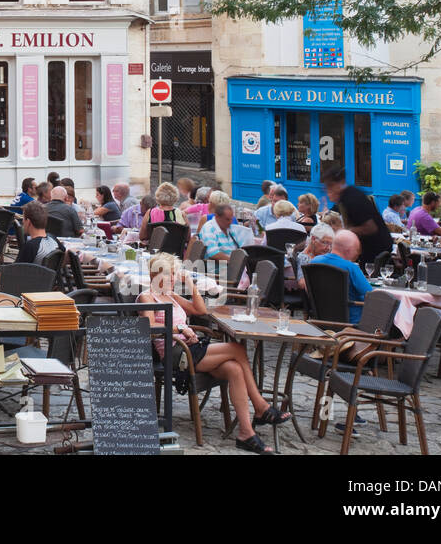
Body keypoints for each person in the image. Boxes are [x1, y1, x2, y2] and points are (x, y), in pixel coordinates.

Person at [138, 253, 288, 454]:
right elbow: (150, 327)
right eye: (168, 274)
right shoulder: (147, 296)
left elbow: (199, 310)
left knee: (234, 368)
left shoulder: (171, 296)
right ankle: (261, 407)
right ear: (154, 275)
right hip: (175, 354)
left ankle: (246, 433)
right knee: (237, 349)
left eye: (174, 274)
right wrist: (181, 329)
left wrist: (191, 284)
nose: (173, 279)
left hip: (190, 349)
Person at [0, 202, 56, 284]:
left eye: (23, 219)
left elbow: (10, 274)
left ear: (28, 222)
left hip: (23, 293)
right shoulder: (54, 241)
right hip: (44, 290)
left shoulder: (31, 247)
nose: (23, 223)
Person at [322, 167, 390, 263]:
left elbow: (371, 228)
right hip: (368, 249)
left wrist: (343, 232)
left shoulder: (352, 198)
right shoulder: (344, 198)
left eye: (330, 186)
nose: (327, 190)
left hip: (376, 251)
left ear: (340, 183)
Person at [310, 231, 373, 324]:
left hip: (321, 317)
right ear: (349, 250)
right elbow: (371, 295)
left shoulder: (314, 262)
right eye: (357, 250)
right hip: (352, 320)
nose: (357, 254)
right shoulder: (351, 268)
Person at [197, 193, 254, 262]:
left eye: (231, 219)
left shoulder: (229, 229)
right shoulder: (209, 228)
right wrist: (235, 262)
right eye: (227, 219)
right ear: (217, 217)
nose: (230, 222)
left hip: (231, 266)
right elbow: (213, 254)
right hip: (216, 269)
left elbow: (240, 247)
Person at [295, 224, 335, 290]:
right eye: (325, 242)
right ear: (313, 239)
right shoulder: (305, 258)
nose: (328, 248)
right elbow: (302, 283)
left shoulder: (322, 254)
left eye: (330, 244)